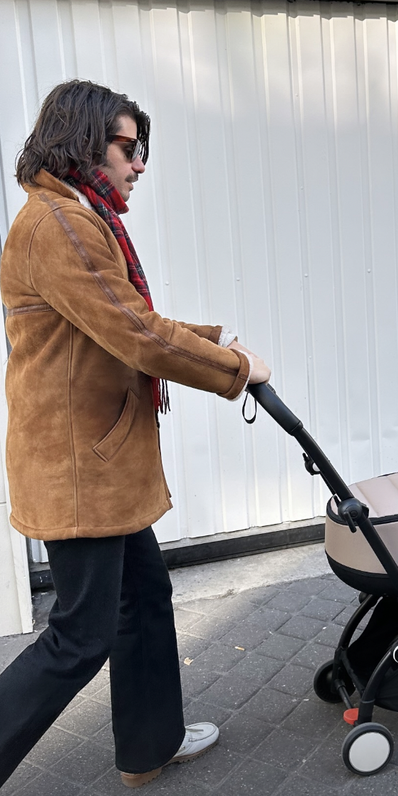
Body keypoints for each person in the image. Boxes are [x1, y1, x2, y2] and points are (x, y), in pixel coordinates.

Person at [0, 80, 271, 789]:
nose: (140, 163)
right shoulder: (60, 225)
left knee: (143, 598)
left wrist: (213, 339)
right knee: (79, 637)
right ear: (85, 140)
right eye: (129, 146)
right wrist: (235, 367)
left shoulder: (76, 216)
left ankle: (149, 747)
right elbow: (137, 335)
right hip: (78, 468)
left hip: (100, 459)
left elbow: (122, 318)